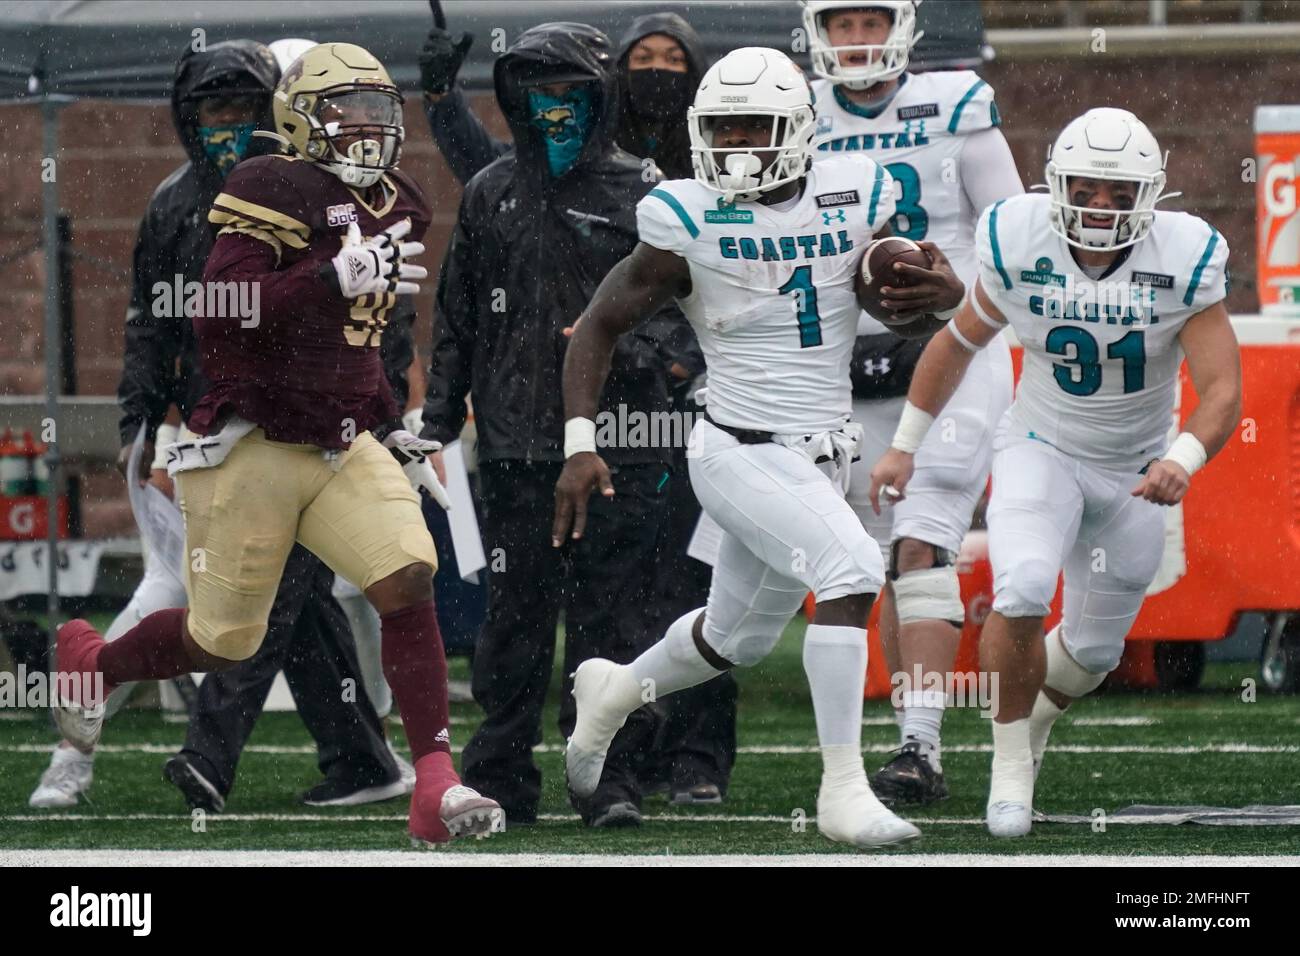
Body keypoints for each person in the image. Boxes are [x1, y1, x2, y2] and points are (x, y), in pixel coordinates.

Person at [49, 42, 500, 846]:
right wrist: (330, 276)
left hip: (341, 437)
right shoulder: (266, 183)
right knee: (223, 640)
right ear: (298, 119)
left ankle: (434, 782)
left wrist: (391, 420)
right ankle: (94, 660)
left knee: (406, 574)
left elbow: (354, 344)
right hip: (249, 440)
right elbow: (221, 309)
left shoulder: (399, 199)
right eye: (345, 111)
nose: (365, 128)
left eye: (376, 111)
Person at [555, 47, 966, 847]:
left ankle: (616, 690)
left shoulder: (855, 198)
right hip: (736, 448)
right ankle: (842, 788)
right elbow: (598, 323)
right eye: (723, 129)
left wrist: (942, 303)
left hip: (822, 451)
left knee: (734, 638)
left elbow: (904, 314)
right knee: (850, 569)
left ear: (800, 131)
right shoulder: (685, 216)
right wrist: (580, 440)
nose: (738, 145)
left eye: (755, 127)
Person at [868, 107, 1241, 837]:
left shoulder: (1185, 254)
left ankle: (1030, 726)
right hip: (1042, 445)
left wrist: (1182, 458)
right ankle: (1009, 768)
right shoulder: (1019, 235)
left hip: (1137, 464)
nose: (1100, 206)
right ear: (1058, 184)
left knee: (1096, 653)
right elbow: (956, 343)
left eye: (1118, 192)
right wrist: (906, 444)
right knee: (1025, 585)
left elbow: (1222, 388)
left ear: (1149, 195)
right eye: (1087, 188)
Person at [419, 7, 737, 807]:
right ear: (513, 96)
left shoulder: (645, 191)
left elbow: (688, 316)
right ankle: (499, 777)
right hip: (515, 447)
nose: (552, 104)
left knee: (618, 622)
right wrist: (434, 421)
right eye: (535, 90)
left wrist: (625, 350)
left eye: (569, 89)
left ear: (600, 95)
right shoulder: (491, 192)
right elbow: (454, 319)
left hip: (623, 445)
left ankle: (611, 776)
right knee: (513, 626)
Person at [800, 0, 1024, 805]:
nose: (856, 40)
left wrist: (959, 289)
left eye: (869, 22)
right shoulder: (800, 116)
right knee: (866, 558)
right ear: (817, 32)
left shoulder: (959, 106)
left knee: (921, 542)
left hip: (953, 346)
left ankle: (920, 747)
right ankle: (898, 738)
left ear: (901, 26)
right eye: (841, 25)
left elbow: (1015, 238)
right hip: (843, 359)